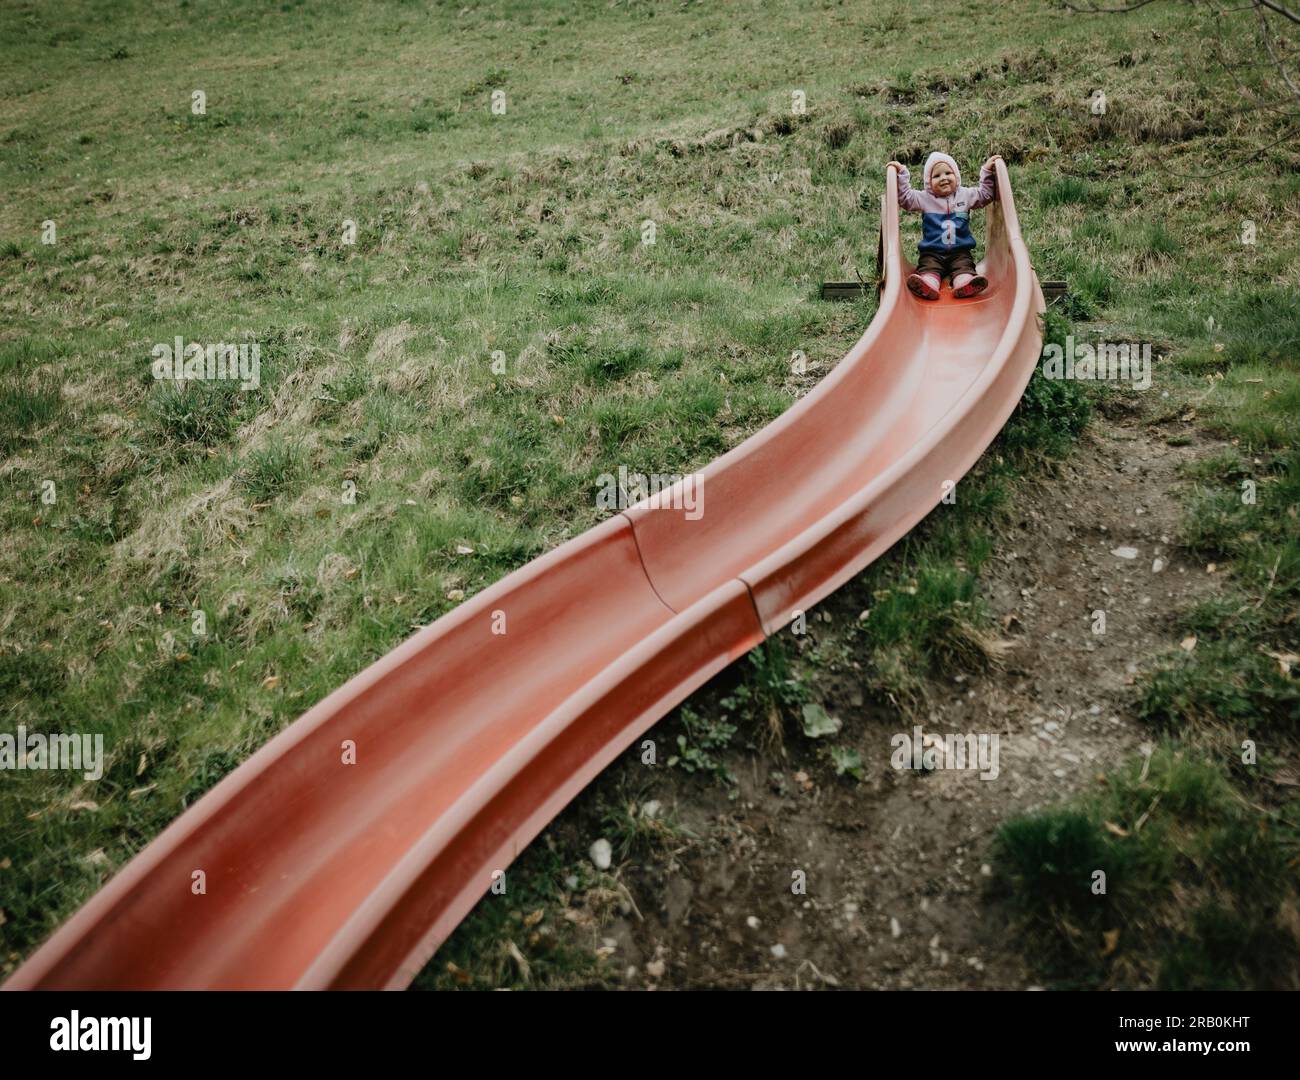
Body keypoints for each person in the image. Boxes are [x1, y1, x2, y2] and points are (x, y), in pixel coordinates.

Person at [887, 152, 1001, 300]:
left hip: (960, 252)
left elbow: (985, 195)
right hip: (932, 252)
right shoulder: (925, 198)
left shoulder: (965, 195)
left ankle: (965, 284)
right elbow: (906, 199)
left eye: (948, 173)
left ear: (956, 176)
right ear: (929, 181)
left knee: (964, 269)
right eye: (937, 176)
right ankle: (927, 285)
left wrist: (986, 171)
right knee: (929, 269)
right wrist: (902, 174)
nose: (944, 178)